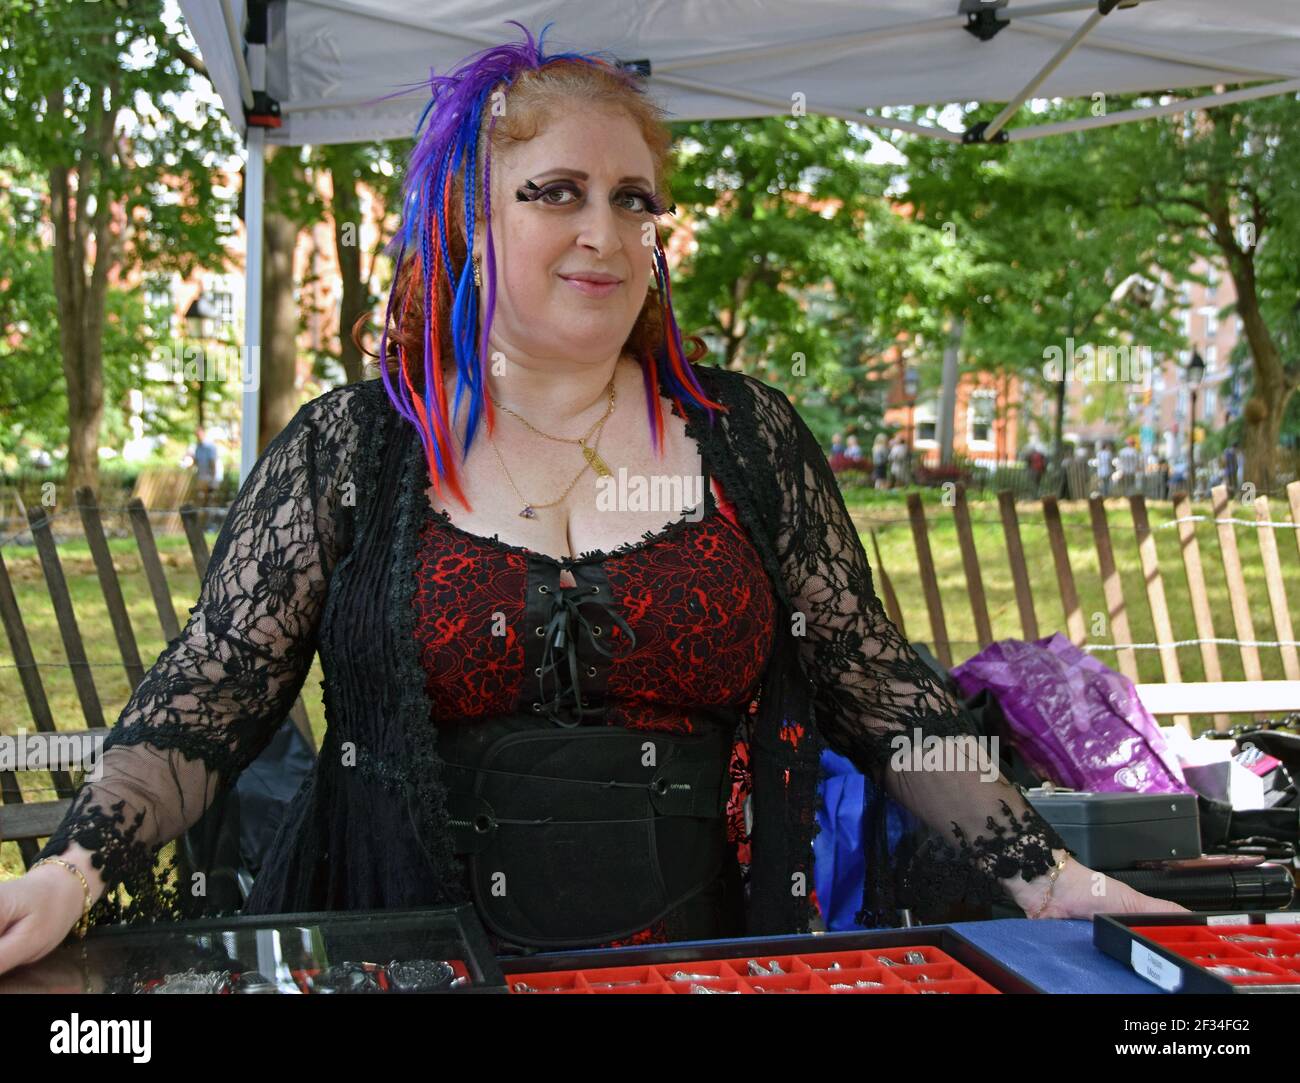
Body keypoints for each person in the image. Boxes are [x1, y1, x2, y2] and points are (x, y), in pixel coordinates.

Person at [0, 23, 1182, 978]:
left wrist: (1043, 872)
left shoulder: (744, 439)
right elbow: (207, 700)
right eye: (555, 191)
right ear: (470, 215)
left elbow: (875, 686)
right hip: (403, 955)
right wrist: (70, 872)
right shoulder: (353, 448)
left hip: (698, 963)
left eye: (634, 200)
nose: (603, 234)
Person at [190, 425, 223, 531]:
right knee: (201, 501)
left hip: (210, 478)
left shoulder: (210, 447)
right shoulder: (197, 447)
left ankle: (211, 525)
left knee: (211, 501)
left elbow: (212, 464)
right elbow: (197, 463)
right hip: (202, 478)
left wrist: (212, 480)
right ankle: (203, 525)